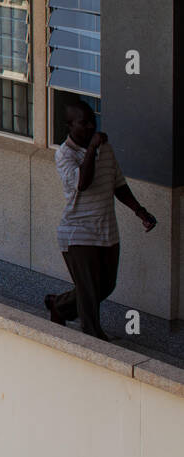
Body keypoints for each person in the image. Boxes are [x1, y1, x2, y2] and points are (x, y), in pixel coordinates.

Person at [44, 100, 157, 340]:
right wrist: (92, 150)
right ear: (69, 125)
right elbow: (82, 184)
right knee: (88, 292)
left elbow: (118, 184)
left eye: (92, 121)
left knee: (105, 286)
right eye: (83, 123)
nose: (90, 126)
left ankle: (60, 306)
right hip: (77, 230)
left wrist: (140, 212)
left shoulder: (105, 148)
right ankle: (94, 339)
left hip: (107, 230)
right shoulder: (64, 154)